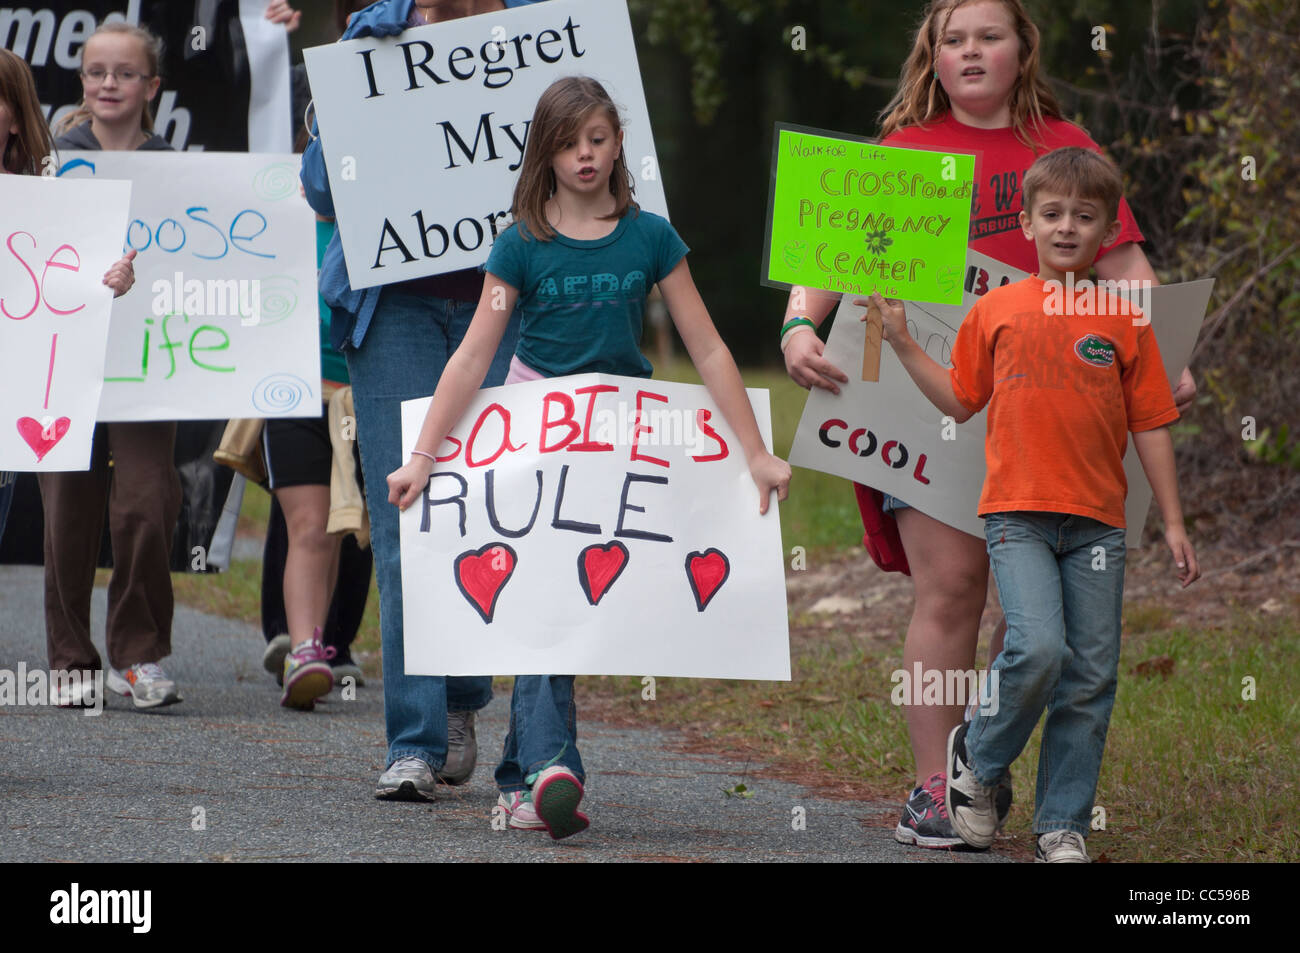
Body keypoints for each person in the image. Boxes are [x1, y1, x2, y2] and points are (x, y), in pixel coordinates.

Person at [777, 0, 1197, 850]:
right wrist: (796, 326)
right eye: (953, 40)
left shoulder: (1064, 146)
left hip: (1050, 411)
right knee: (954, 587)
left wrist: (1168, 348)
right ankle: (937, 789)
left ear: (1022, 48)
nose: (971, 53)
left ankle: (985, 760)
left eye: (989, 37)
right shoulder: (904, 151)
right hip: (926, 395)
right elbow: (834, 257)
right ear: (933, 57)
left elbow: (1124, 265)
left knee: (1037, 617)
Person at [388, 76, 791, 839]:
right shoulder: (520, 245)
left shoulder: (650, 237)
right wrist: (423, 456)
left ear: (617, 144)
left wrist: (757, 453)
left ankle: (522, 779)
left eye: (598, 140)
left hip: (618, 439)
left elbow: (705, 342)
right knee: (546, 601)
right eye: (570, 143)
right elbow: (475, 354)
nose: (585, 156)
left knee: (568, 601)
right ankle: (549, 769)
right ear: (546, 151)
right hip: (536, 437)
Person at [875, 146, 1199, 861]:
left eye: (1084, 217)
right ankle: (978, 761)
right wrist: (900, 342)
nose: (1066, 228)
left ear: (1107, 229)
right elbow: (961, 398)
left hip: (1097, 524)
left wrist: (1172, 521)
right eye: (1051, 214)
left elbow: (1150, 424)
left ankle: (1063, 823)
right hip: (1016, 514)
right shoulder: (996, 309)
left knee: (1089, 675)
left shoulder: (1124, 321)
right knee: (1039, 646)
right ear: (1025, 223)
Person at [300, 0, 549, 798]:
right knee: (407, 514)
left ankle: (463, 695)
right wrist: (353, 76)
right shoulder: (372, 37)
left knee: (485, 510)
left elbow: (595, 159)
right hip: (395, 309)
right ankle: (412, 738)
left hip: (506, 308)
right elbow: (318, 190)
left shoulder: (540, 36)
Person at [0, 44, 140, 705]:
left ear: (15, 112)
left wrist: (111, 278)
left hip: (21, 388)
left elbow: (73, 278)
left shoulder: (52, 187)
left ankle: (93, 661)